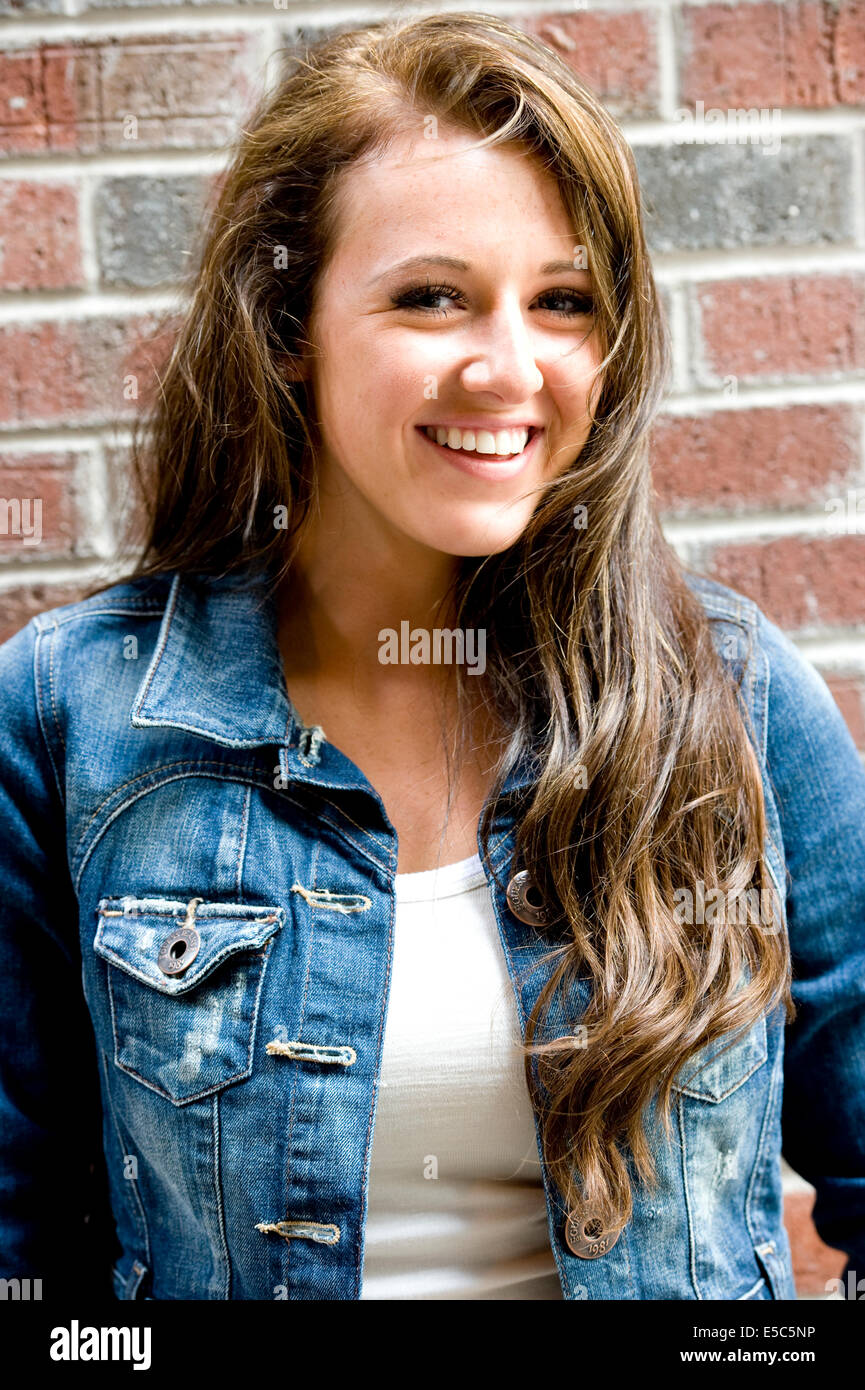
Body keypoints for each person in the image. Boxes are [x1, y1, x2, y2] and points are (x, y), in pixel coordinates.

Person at [0, 11, 863, 1303]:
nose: (505, 366)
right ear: (287, 323)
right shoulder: (76, 717)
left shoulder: (731, 704)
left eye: (562, 302)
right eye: (430, 296)